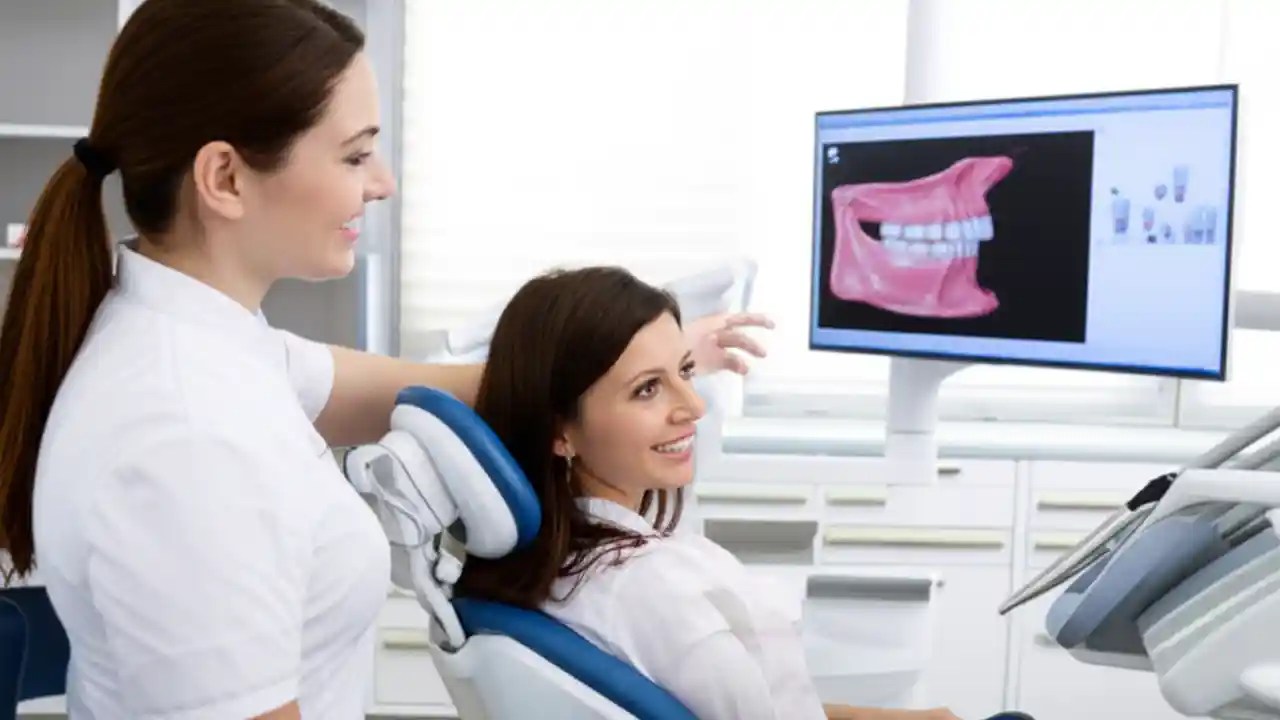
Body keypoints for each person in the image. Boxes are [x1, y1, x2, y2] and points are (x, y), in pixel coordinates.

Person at [0, 1, 768, 718]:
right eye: (355, 155)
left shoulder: (209, 344)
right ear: (226, 178)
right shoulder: (187, 435)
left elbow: (403, 387)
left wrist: (634, 361)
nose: (383, 184)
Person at [453, 266, 962, 720]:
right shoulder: (652, 590)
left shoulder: (558, 569)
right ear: (560, 432)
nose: (694, 405)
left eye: (686, 371)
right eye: (647, 389)